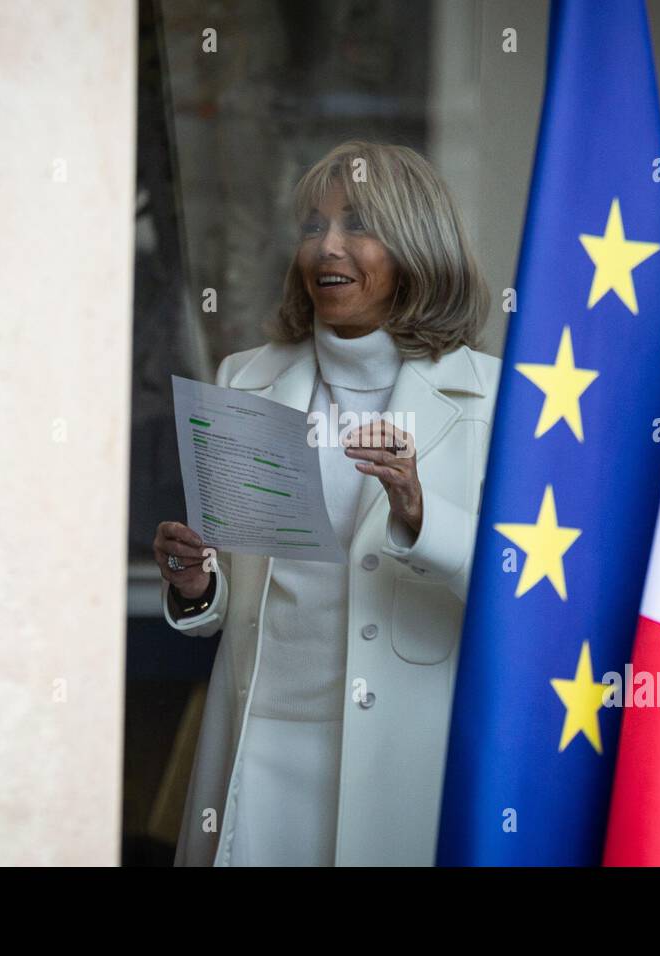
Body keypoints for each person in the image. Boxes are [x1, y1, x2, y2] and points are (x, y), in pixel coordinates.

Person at [153, 141, 500, 866]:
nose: (326, 247)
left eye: (357, 225)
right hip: (263, 734)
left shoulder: (493, 399)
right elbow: (234, 603)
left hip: (405, 752)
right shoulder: (244, 379)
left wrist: (417, 512)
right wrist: (197, 586)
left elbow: (523, 591)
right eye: (313, 227)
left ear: (417, 248)